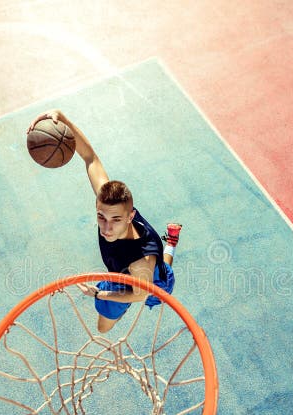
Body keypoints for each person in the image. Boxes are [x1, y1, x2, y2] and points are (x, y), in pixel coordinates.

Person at [27, 110, 182, 333]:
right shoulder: (110, 202)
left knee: (103, 328)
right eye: (101, 217)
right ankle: (172, 242)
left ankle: (170, 245)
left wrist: (100, 294)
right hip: (132, 272)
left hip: (146, 284)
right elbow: (90, 157)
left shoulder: (140, 262)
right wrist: (62, 118)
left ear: (130, 216)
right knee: (161, 266)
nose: (106, 228)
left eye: (115, 220)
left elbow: (141, 294)